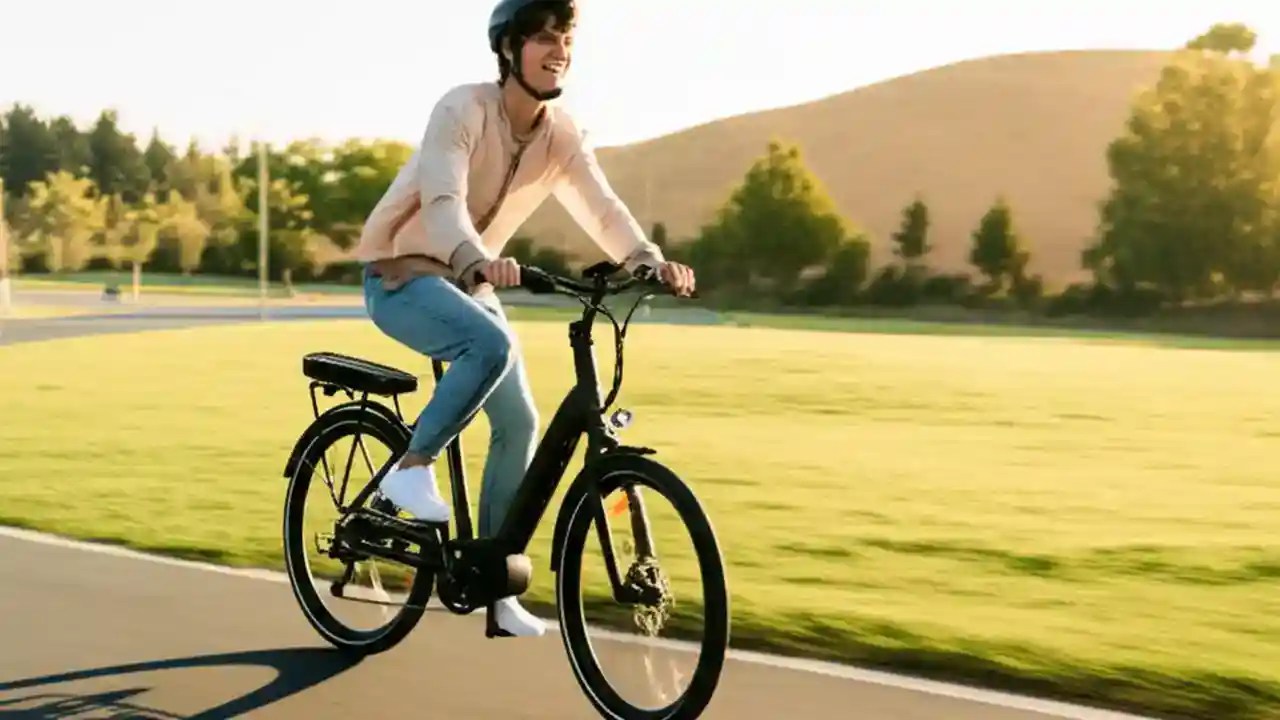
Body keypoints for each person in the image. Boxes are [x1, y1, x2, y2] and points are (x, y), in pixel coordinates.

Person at [352, 0, 696, 637]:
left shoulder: (561, 135)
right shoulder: (462, 109)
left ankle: (493, 583)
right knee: (490, 345)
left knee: (521, 419)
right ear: (508, 50)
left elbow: (601, 208)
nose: (557, 48)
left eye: (564, 37)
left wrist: (650, 261)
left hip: (467, 277)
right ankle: (409, 470)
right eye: (541, 37)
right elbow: (444, 198)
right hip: (402, 273)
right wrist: (476, 258)